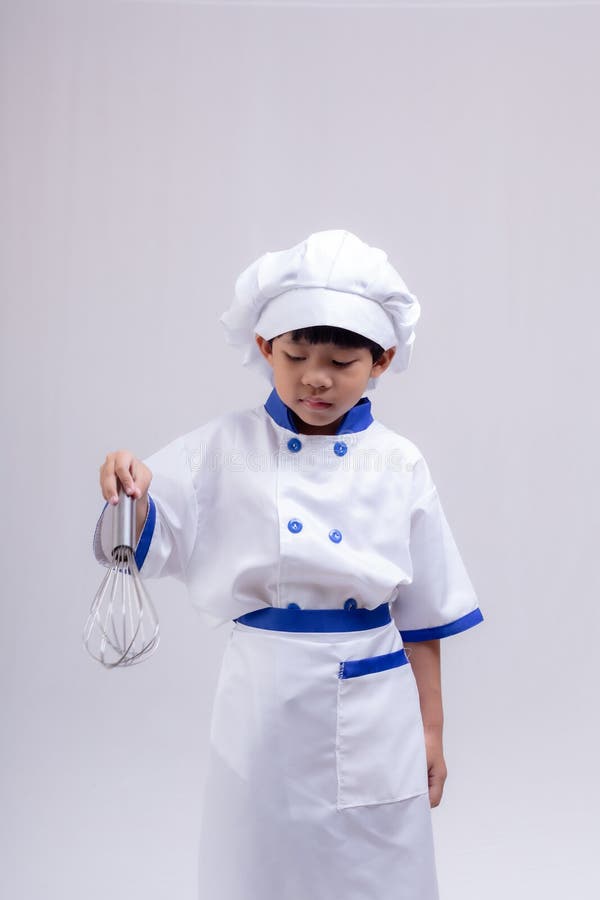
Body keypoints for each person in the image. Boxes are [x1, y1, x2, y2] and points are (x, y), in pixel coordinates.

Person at [94, 229, 484, 900]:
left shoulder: (400, 462)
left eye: (340, 360)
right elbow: (147, 538)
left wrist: (431, 730)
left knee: (376, 868)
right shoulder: (224, 446)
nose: (315, 378)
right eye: (297, 355)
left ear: (382, 361)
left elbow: (423, 617)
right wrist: (127, 482)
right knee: (258, 865)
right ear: (263, 348)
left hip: (374, 697)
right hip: (263, 698)